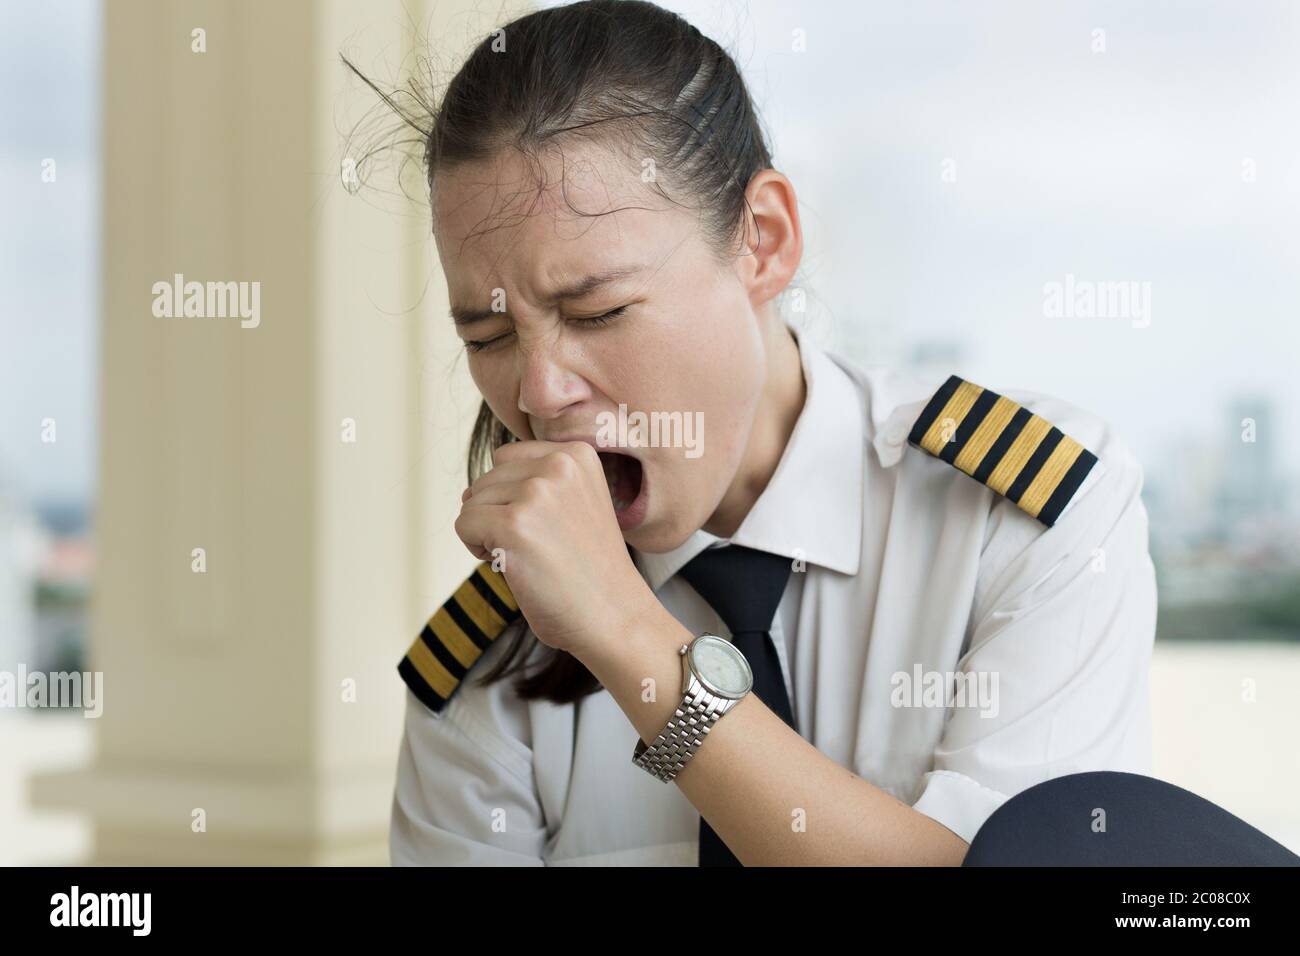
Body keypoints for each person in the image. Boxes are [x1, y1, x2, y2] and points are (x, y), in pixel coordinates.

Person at [367, 0, 1157, 866]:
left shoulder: (1025, 515)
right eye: (488, 336)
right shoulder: (488, 663)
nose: (542, 393)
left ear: (765, 243)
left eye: (598, 310)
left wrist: (628, 633)